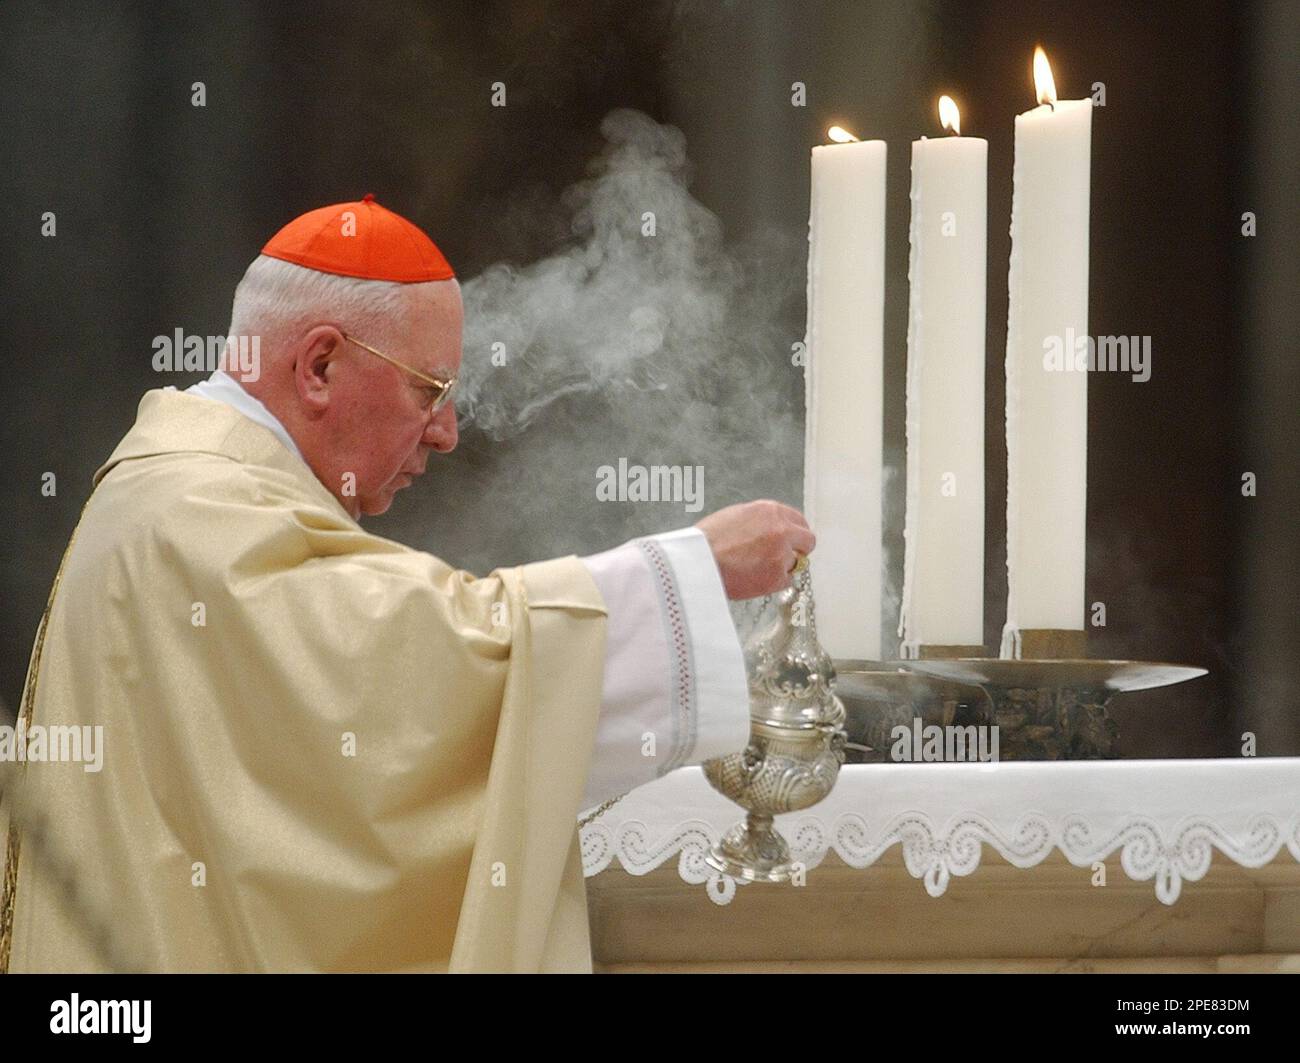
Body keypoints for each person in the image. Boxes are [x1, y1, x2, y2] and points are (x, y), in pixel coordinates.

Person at [0, 196, 815, 973]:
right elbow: (418, 669)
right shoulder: (197, 508)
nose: (448, 432)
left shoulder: (195, 486)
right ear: (318, 364)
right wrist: (688, 570)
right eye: (429, 390)